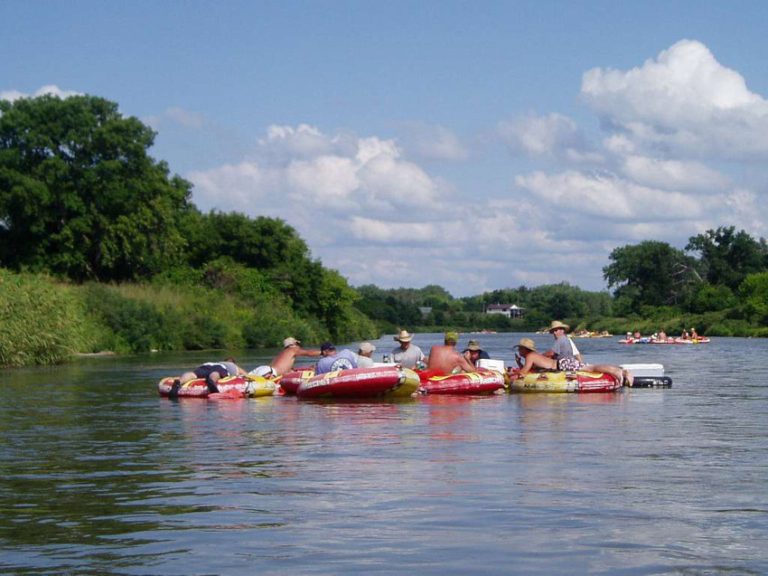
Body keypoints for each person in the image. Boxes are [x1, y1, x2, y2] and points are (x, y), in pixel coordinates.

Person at [170, 357, 247, 397]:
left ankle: (179, 382)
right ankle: (211, 381)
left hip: (206, 365)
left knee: (193, 374)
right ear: (233, 362)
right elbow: (246, 374)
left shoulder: (217, 362)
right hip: (219, 368)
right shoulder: (232, 365)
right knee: (216, 373)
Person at [253, 337, 322, 377]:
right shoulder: (293, 349)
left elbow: (284, 370)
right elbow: (309, 353)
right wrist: (323, 352)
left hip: (263, 369)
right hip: (270, 372)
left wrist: (307, 369)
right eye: (297, 344)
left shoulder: (282, 353)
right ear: (293, 344)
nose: (299, 346)